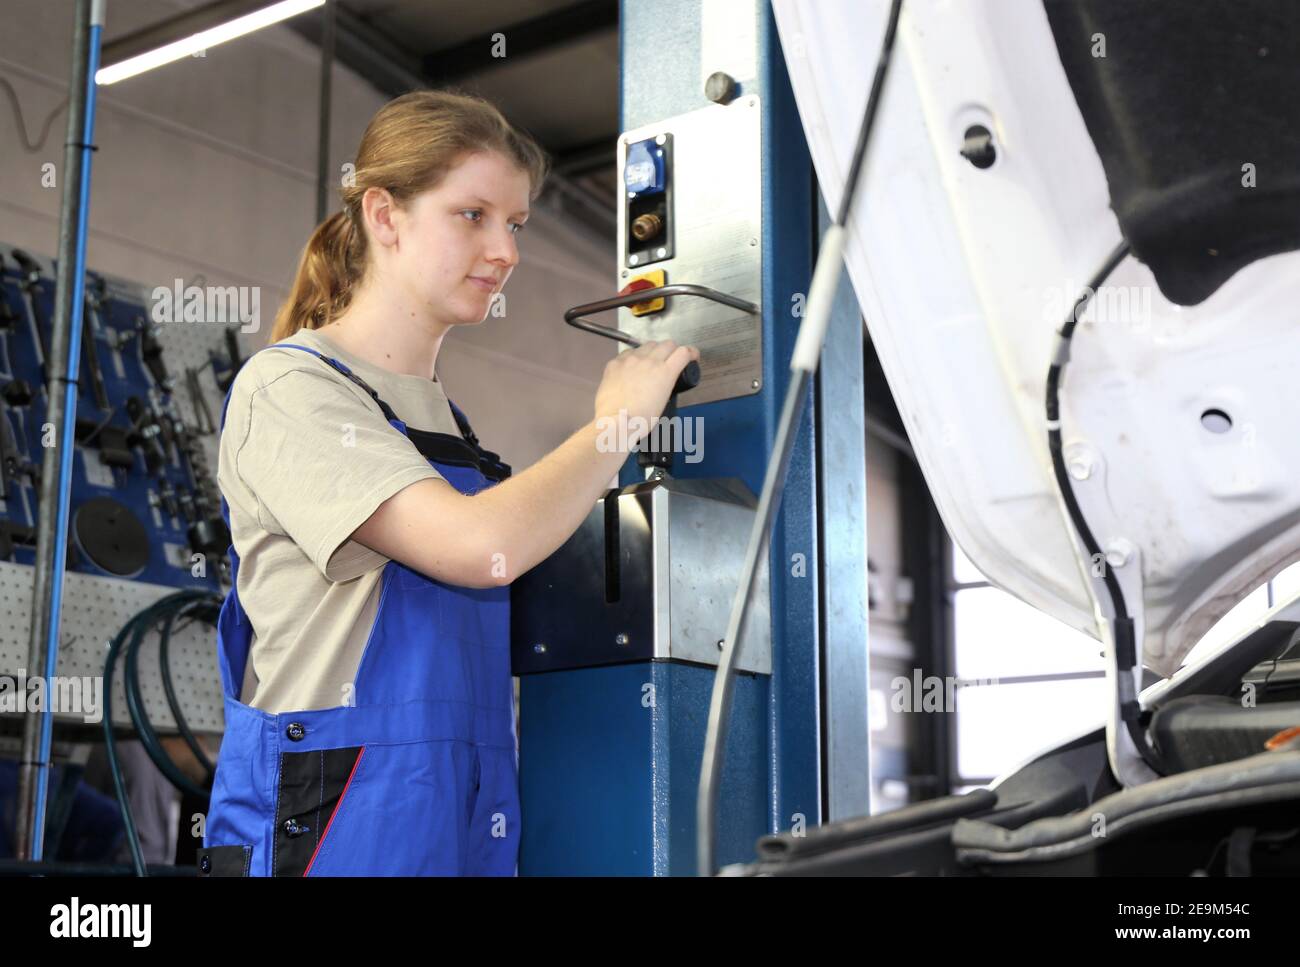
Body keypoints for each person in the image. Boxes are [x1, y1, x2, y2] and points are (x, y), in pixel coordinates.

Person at [199, 89, 699, 877]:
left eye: (517, 224)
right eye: (473, 214)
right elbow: (480, 546)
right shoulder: (291, 388)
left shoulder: (447, 421)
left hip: (468, 795)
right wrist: (615, 426)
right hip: (338, 803)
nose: (505, 250)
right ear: (385, 215)